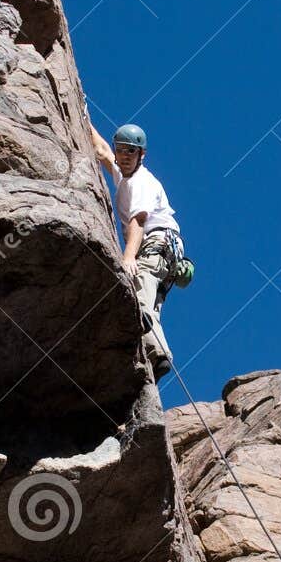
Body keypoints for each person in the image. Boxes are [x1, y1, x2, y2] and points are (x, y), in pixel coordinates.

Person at [88, 118, 186, 379]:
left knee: (138, 295)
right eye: (121, 149)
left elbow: (139, 220)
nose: (124, 155)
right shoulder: (124, 174)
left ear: (142, 154)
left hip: (157, 244)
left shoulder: (141, 181)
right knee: (149, 309)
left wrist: (129, 256)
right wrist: (84, 117)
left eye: (131, 151)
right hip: (165, 256)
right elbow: (102, 152)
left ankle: (159, 354)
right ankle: (154, 361)